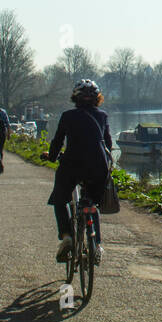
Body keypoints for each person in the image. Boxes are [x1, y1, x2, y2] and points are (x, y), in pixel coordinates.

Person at [41, 79, 112, 265]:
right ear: (97, 98)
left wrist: (51, 156)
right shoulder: (103, 116)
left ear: (75, 98)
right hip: (98, 167)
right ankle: (96, 244)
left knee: (59, 199)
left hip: (72, 165)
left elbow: (57, 142)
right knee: (91, 203)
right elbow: (108, 144)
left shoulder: (67, 116)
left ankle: (67, 237)